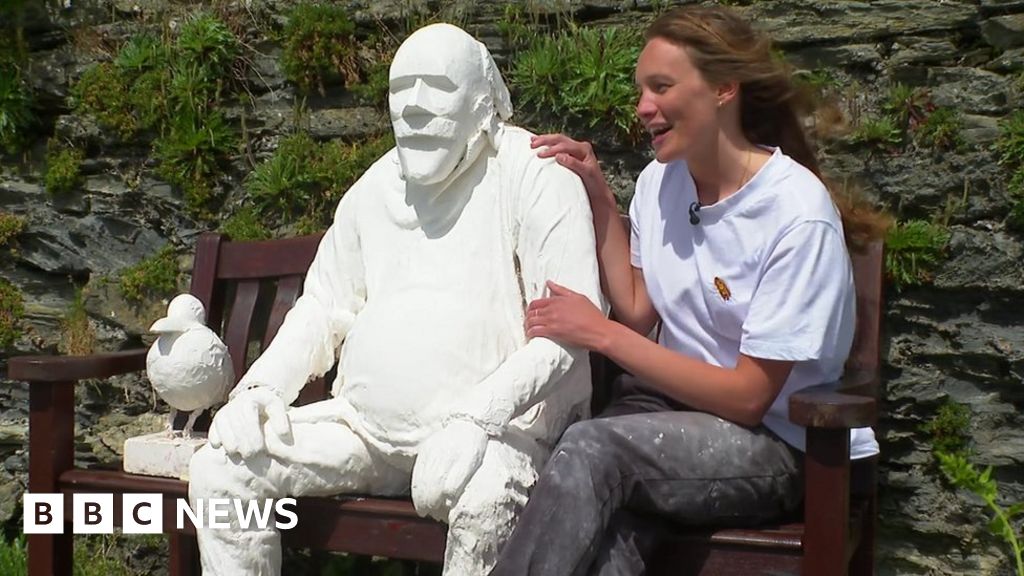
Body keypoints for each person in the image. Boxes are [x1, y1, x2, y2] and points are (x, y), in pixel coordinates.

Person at [187, 23, 603, 576]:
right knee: (221, 469)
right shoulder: (373, 189)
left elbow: (571, 332)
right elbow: (323, 306)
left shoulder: (534, 174)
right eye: (401, 89)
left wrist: (475, 419)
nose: (414, 106)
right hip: (367, 430)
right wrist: (260, 389)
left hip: (502, 433)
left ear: (483, 101)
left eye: (437, 86)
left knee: (486, 504)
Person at [488, 6, 888, 575]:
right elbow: (637, 308)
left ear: (724, 88)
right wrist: (599, 193)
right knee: (610, 538)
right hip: (672, 422)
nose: (642, 106)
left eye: (662, 87)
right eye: (641, 90)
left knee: (591, 448)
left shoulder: (796, 215)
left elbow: (749, 397)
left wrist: (599, 335)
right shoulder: (660, 182)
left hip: (781, 443)